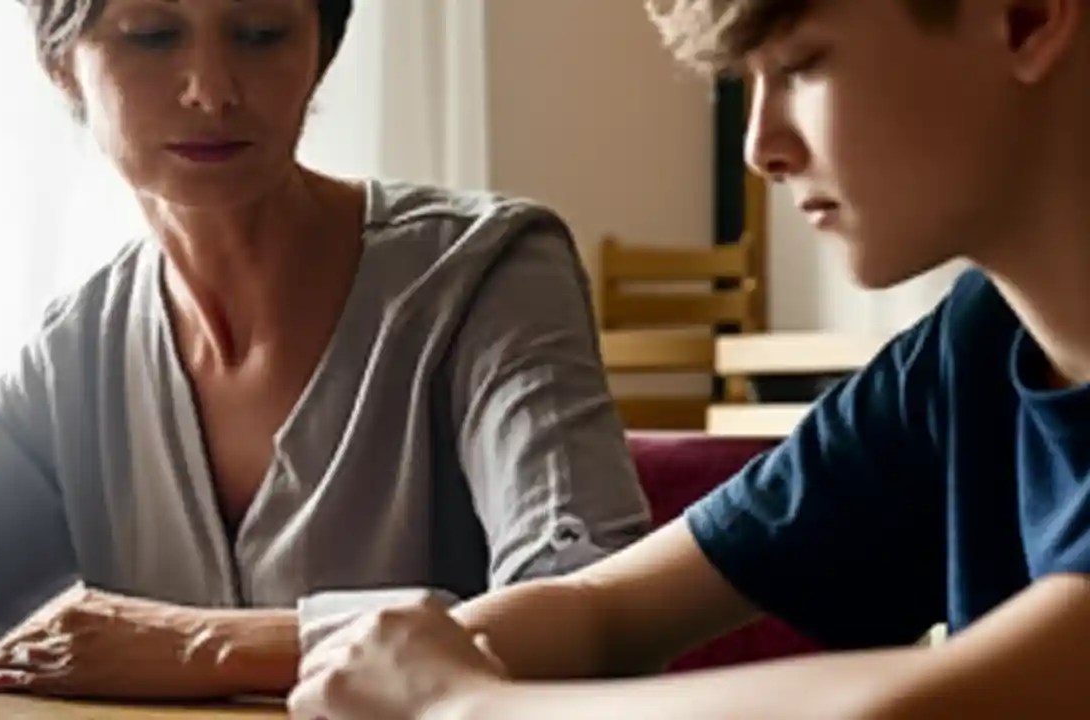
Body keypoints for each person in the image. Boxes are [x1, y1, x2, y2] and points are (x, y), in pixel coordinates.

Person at [0, 0, 651, 699]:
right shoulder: (81, 349)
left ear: (320, 51)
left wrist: (206, 644)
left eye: (261, 34)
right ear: (61, 63)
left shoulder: (483, 272)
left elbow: (585, 598)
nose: (212, 90)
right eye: (151, 35)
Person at [289, 0, 1090, 717]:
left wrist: (462, 705)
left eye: (801, 66)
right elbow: (608, 611)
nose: (760, 146)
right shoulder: (970, 350)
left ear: (1024, 18)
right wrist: (401, 665)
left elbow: (918, 706)